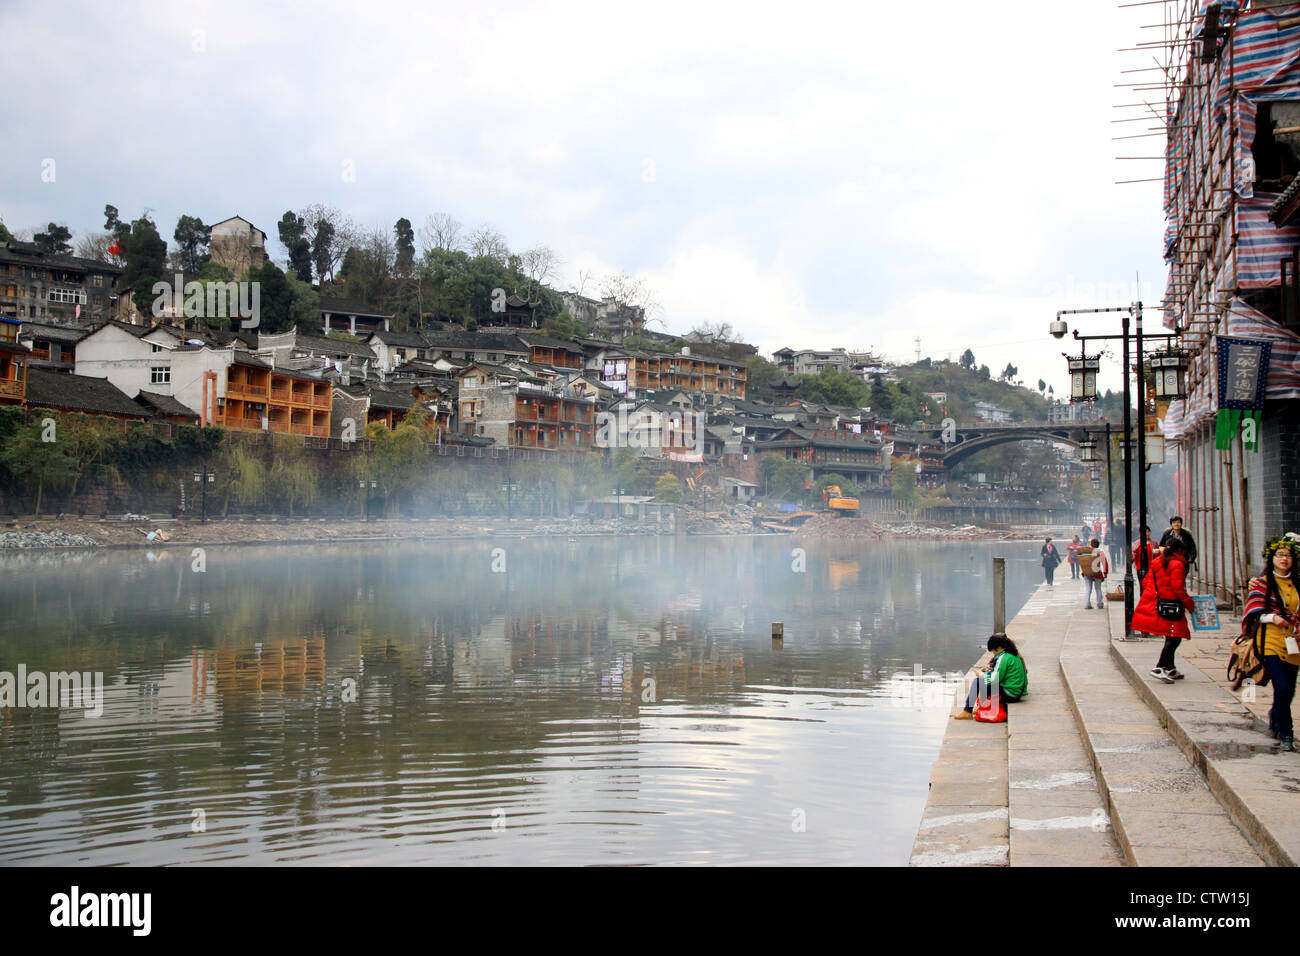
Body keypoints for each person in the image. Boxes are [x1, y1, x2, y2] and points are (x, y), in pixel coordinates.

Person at [1243, 533, 1300, 751]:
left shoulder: (1297, 584)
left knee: (1289, 691)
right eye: (1279, 555)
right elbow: (1254, 611)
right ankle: (1287, 733)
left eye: (1288, 555)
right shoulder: (1262, 583)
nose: (1284, 559)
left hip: (1294, 644)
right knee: (1282, 686)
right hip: (1270, 642)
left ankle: (1275, 717)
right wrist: (1273, 617)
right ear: (1271, 558)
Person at [1130, 536, 1196, 682]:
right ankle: (1159, 667)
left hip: (1162, 604)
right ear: (1179, 550)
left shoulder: (1156, 562)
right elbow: (1178, 588)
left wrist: (1155, 596)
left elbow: (1147, 581)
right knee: (1174, 638)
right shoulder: (1177, 564)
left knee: (1171, 635)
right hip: (1173, 606)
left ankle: (1170, 668)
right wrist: (1190, 604)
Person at [954, 634, 1028, 719]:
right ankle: (981, 707)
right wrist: (989, 672)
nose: (994, 653)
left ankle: (967, 711)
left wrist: (982, 675)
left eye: (994, 651)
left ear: (999, 648)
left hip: (1010, 694)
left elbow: (995, 680)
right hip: (1016, 692)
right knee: (984, 682)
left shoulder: (1003, 658)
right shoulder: (1013, 654)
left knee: (978, 682)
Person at [1083, 537, 1110, 609]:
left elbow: (1082, 562)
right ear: (1098, 545)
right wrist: (1105, 572)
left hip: (1087, 572)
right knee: (1098, 588)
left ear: (1091, 544)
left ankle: (1087, 604)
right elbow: (1105, 563)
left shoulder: (1087, 551)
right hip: (1097, 572)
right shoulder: (1100, 552)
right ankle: (1100, 603)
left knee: (1088, 588)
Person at [1131, 525, 1156, 593]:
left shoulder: (1154, 543)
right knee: (1142, 586)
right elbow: (1133, 554)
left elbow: (1158, 555)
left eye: (1148, 531)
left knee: (1151, 586)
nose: (1146, 533)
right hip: (1140, 568)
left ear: (1150, 532)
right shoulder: (1137, 543)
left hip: (1152, 567)